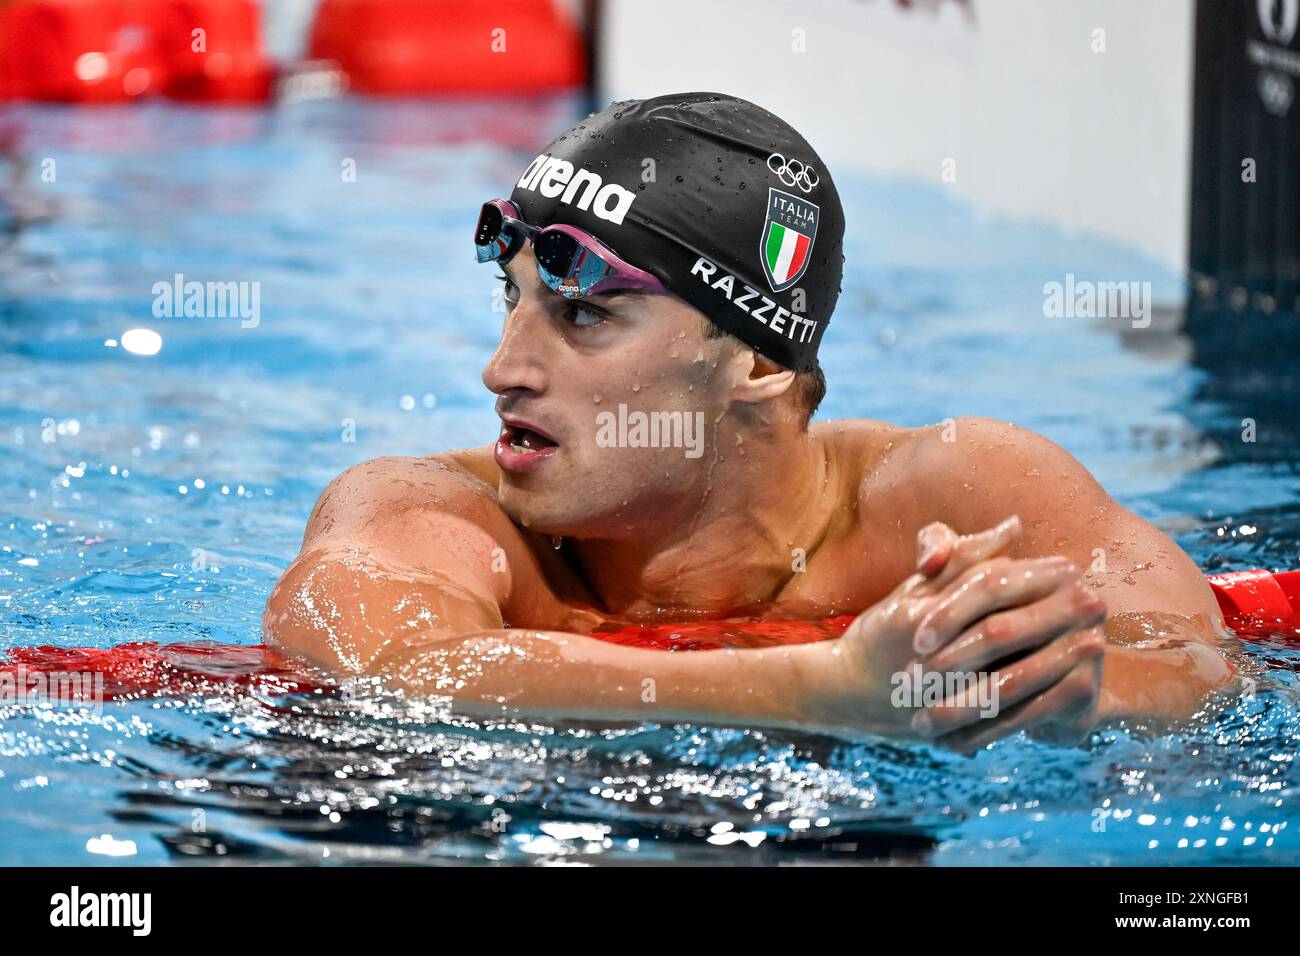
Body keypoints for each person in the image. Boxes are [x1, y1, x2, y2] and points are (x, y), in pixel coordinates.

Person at [263, 92, 1237, 751]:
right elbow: (393, 672)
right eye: (508, 299)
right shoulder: (429, 511)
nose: (501, 369)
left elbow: (1199, 661)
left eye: (582, 311)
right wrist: (821, 691)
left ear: (761, 359)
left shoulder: (959, 491)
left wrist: (1063, 694)